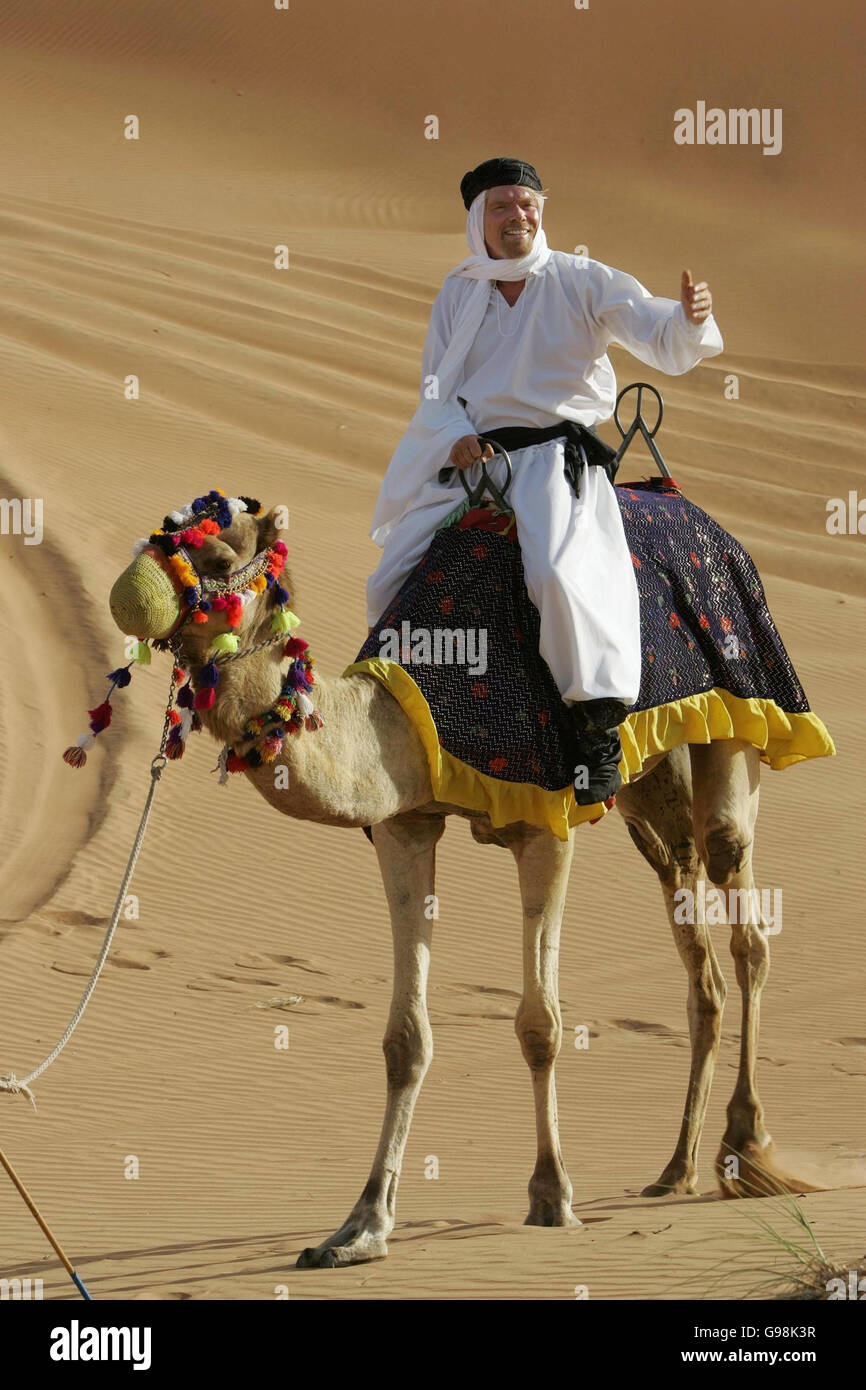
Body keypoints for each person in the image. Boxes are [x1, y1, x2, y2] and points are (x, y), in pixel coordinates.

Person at [367, 157, 723, 804]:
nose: (518, 216)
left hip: (557, 460)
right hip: (476, 460)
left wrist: (689, 320)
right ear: (478, 219)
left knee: (559, 574)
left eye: (528, 204)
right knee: (393, 571)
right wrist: (455, 438)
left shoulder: (582, 279)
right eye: (502, 206)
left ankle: (595, 729)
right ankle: (399, 729)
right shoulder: (460, 291)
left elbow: (653, 328)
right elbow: (436, 390)